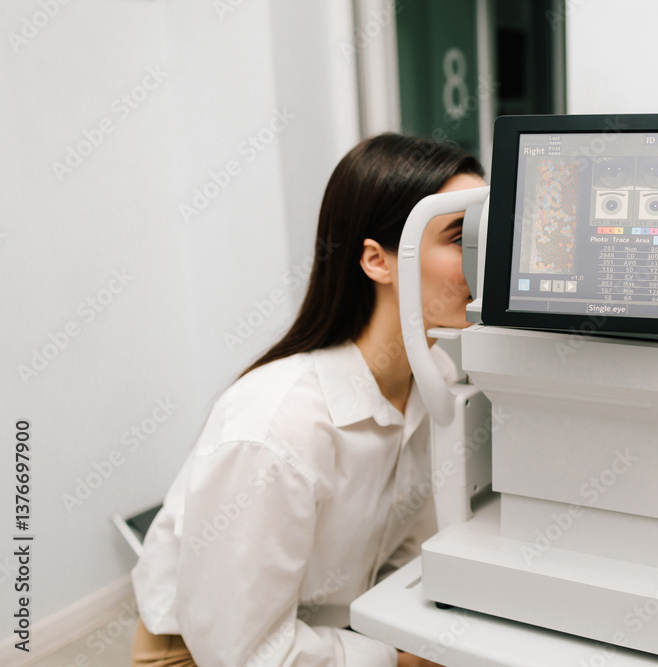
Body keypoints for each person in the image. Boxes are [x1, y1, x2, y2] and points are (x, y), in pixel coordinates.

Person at [130, 133, 487, 666]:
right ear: (377, 260)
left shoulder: (434, 373)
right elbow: (244, 652)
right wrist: (402, 657)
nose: (490, 258)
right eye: (462, 237)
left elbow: (415, 545)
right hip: (204, 652)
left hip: (326, 623)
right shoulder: (277, 425)